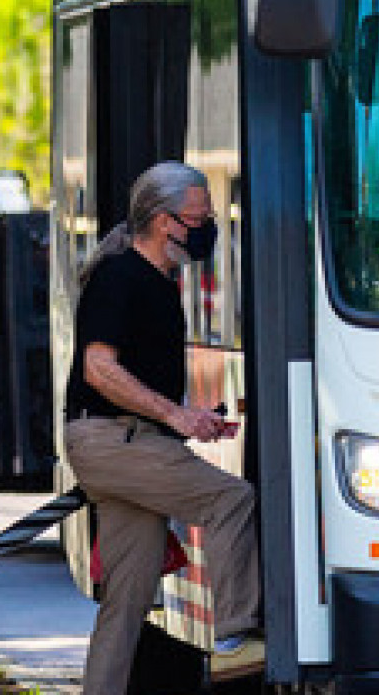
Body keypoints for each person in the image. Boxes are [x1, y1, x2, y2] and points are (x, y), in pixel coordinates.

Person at [64, 162, 260, 695]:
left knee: (127, 600)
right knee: (231, 501)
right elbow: (98, 369)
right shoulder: (119, 278)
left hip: (122, 442)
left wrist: (195, 419)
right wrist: (176, 416)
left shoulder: (156, 283)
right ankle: (237, 636)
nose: (206, 229)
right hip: (115, 441)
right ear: (161, 220)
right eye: (196, 219)